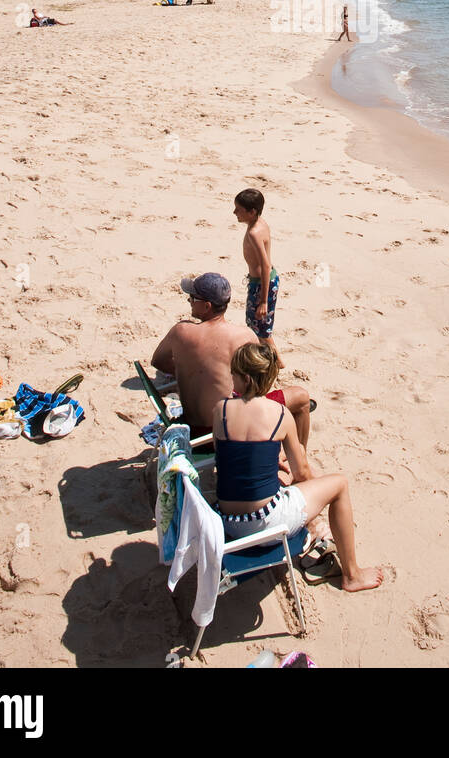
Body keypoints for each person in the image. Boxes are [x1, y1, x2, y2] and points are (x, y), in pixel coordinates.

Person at [214, 343, 384, 593]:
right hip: (264, 525)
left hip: (227, 520)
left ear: (246, 379)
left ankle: (319, 534)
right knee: (338, 485)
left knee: (285, 484)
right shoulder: (279, 414)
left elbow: (228, 459)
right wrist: (306, 483)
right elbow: (302, 473)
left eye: (234, 374)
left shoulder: (221, 410)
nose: (231, 379)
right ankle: (352, 575)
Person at [151, 273, 310, 444]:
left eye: (192, 298)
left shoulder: (180, 331)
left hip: (191, 427)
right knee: (301, 397)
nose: (189, 301)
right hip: (225, 431)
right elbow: (261, 386)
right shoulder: (243, 336)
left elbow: (158, 361)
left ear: (207, 306)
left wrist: (191, 370)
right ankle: (299, 463)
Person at [234, 188, 283, 369]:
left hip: (263, 284)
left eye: (238, 209)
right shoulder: (260, 223)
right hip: (265, 282)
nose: (235, 213)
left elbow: (265, 265)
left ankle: (277, 361)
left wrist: (263, 301)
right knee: (256, 324)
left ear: (252, 211)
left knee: (261, 328)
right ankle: (270, 359)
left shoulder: (255, 233)